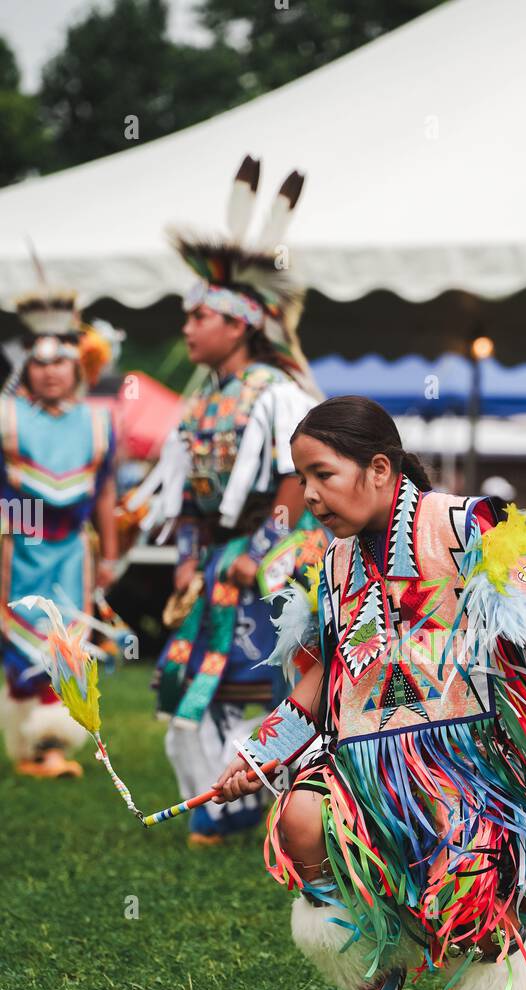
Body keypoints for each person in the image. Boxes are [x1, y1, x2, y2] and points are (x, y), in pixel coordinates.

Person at [212, 396, 526, 990]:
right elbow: (316, 685)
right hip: (362, 767)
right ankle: (376, 965)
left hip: (463, 766)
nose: (308, 496)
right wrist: (257, 756)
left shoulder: (463, 524)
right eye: (301, 480)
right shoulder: (331, 567)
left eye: (322, 475)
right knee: (300, 817)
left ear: (379, 469)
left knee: (471, 897)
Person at [124, 156, 329, 845]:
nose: (186, 328)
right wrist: (189, 558)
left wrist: (261, 556)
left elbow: (294, 486)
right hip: (216, 563)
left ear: (240, 323)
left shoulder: (276, 395)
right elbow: (185, 494)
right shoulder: (202, 398)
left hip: (269, 566)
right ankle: (226, 800)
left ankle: (283, 799)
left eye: (200, 316)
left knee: (265, 677)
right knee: (194, 677)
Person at [0, 287, 118, 776]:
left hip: (71, 550)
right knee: (18, 640)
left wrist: (110, 555)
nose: (50, 370)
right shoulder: (7, 416)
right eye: (40, 362)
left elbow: (106, 492)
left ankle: (48, 744)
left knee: (63, 643)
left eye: (61, 361)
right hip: (16, 547)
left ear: (79, 367)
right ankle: (33, 747)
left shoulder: (98, 421)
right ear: (26, 366)